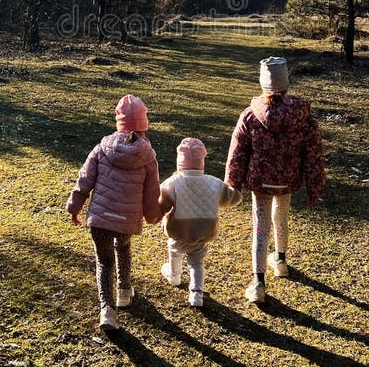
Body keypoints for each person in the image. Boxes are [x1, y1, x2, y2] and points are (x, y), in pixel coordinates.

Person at [225, 56, 325, 303]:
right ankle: (280, 261)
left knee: (261, 226)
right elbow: (313, 154)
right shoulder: (303, 116)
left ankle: (258, 283)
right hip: (288, 180)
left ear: (263, 83)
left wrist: (232, 185)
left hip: (260, 182)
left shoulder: (249, 116)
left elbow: (237, 153)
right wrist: (314, 186)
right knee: (281, 217)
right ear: (286, 83)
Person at [67, 94, 161, 331]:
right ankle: (124, 291)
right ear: (143, 124)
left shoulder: (102, 148)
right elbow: (152, 191)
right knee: (124, 247)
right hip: (126, 219)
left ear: (119, 122)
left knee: (104, 261)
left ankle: (107, 310)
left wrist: (75, 206)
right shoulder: (148, 155)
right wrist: (152, 215)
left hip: (100, 218)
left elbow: (84, 180)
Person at [159, 137, 241, 307]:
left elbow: (163, 204)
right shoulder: (214, 183)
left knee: (174, 251)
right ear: (201, 161)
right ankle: (196, 293)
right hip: (204, 230)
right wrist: (236, 187)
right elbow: (232, 198)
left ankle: (174, 275)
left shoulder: (173, 182)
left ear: (179, 162)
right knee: (197, 262)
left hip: (179, 229)